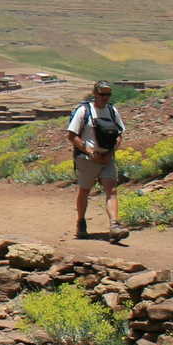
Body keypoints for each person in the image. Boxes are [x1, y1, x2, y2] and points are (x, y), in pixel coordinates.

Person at [66, 82, 126, 238]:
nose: (105, 98)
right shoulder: (84, 111)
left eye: (108, 95)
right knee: (84, 191)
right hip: (87, 159)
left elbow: (119, 134)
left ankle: (114, 225)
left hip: (107, 158)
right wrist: (89, 151)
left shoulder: (112, 110)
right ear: (95, 94)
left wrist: (110, 152)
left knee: (111, 191)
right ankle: (81, 222)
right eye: (102, 94)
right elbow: (72, 136)